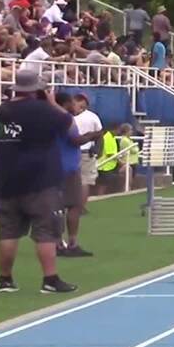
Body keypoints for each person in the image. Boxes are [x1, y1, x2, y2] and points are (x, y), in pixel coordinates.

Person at [0, 71, 77, 293]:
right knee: (46, 232)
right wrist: (52, 103)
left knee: (8, 233)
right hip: (41, 181)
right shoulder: (44, 110)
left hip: (8, 181)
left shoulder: (4, 110)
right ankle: (50, 279)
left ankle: (5, 279)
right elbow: (69, 124)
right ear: (37, 89)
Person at [67, 93, 103, 255]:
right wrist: (98, 148)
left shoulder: (71, 117)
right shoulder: (90, 117)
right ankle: (80, 206)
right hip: (82, 150)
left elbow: (99, 135)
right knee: (85, 181)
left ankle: (76, 206)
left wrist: (97, 148)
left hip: (75, 151)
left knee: (81, 180)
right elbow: (100, 134)